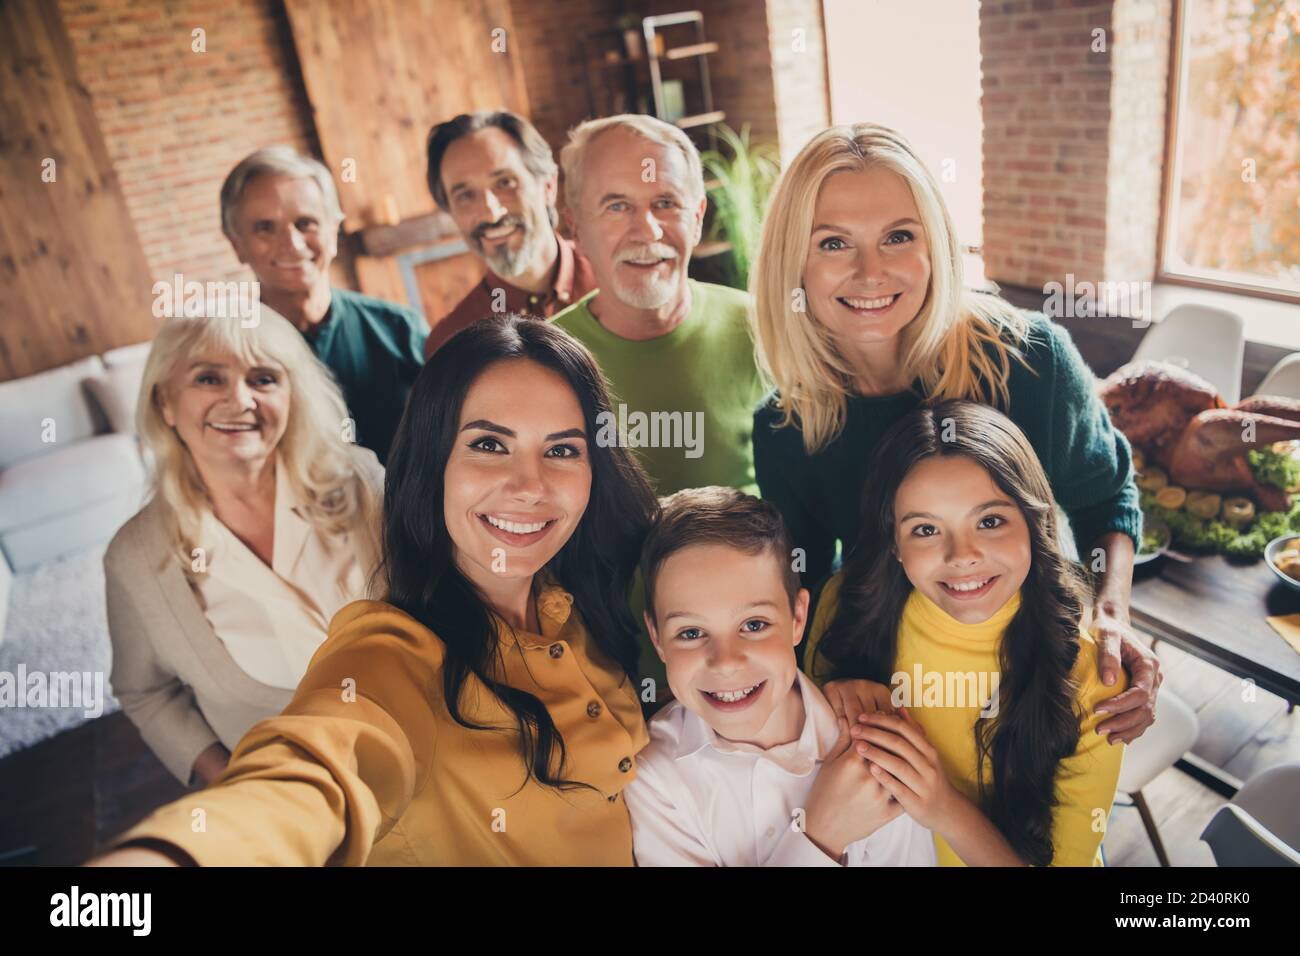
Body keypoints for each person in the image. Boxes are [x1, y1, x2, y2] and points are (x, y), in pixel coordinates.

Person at [91, 317, 659, 866]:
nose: (530, 486)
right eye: (488, 444)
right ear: (431, 463)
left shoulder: (586, 590)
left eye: (562, 450)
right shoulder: (390, 653)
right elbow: (321, 762)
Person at [748, 123, 1160, 744]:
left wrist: (1112, 613)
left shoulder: (1032, 361)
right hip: (904, 705)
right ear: (792, 263)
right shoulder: (786, 427)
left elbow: (1109, 498)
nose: (869, 272)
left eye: (898, 237)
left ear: (936, 245)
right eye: (833, 243)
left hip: (1046, 685)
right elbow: (807, 578)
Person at [806, 401, 1128, 866]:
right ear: (894, 543)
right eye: (925, 529)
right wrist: (829, 708)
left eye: (990, 521)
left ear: (1036, 524)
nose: (962, 556)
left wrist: (942, 807)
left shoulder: (1093, 673)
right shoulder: (842, 606)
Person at [104, 311, 384, 786]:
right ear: (165, 404)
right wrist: (232, 780)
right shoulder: (134, 557)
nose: (239, 400)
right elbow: (145, 692)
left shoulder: (362, 482)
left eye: (264, 379)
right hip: (306, 818)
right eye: (208, 378)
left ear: (292, 397)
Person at [624, 486, 939, 866]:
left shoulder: (876, 747)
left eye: (754, 624)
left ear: (797, 619)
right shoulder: (654, 775)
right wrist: (821, 836)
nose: (725, 662)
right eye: (691, 633)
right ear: (658, 639)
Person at [552, 114, 766, 497]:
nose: (647, 231)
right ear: (577, 229)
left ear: (697, 218)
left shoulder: (761, 327)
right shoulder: (547, 358)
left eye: (666, 203)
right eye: (617, 206)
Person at [221, 147, 427, 463]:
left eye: (306, 223)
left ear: (334, 229)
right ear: (237, 244)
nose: (291, 243)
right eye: (265, 227)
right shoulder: (223, 353)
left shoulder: (400, 328)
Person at [423, 111, 597, 358]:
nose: (490, 214)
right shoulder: (450, 344)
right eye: (465, 196)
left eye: (504, 183)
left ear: (548, 185)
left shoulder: (615, 278)